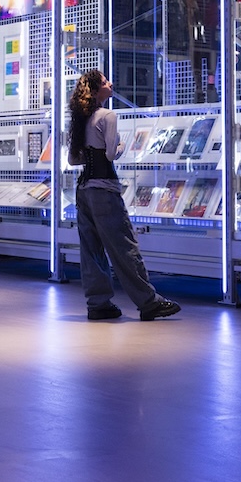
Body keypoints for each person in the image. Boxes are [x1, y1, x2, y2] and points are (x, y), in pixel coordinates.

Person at [68, 69, 181, 321]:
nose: (112, 83)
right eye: (106, 81)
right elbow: (110, 155)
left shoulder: (79, 119)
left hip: (83, 190)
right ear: (97, 90)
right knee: (124, 246)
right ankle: (148, 301)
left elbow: (73, 158)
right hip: (105, 189)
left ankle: (98, 303)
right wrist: (120, 145)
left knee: (91, 250)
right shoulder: (108, 115)